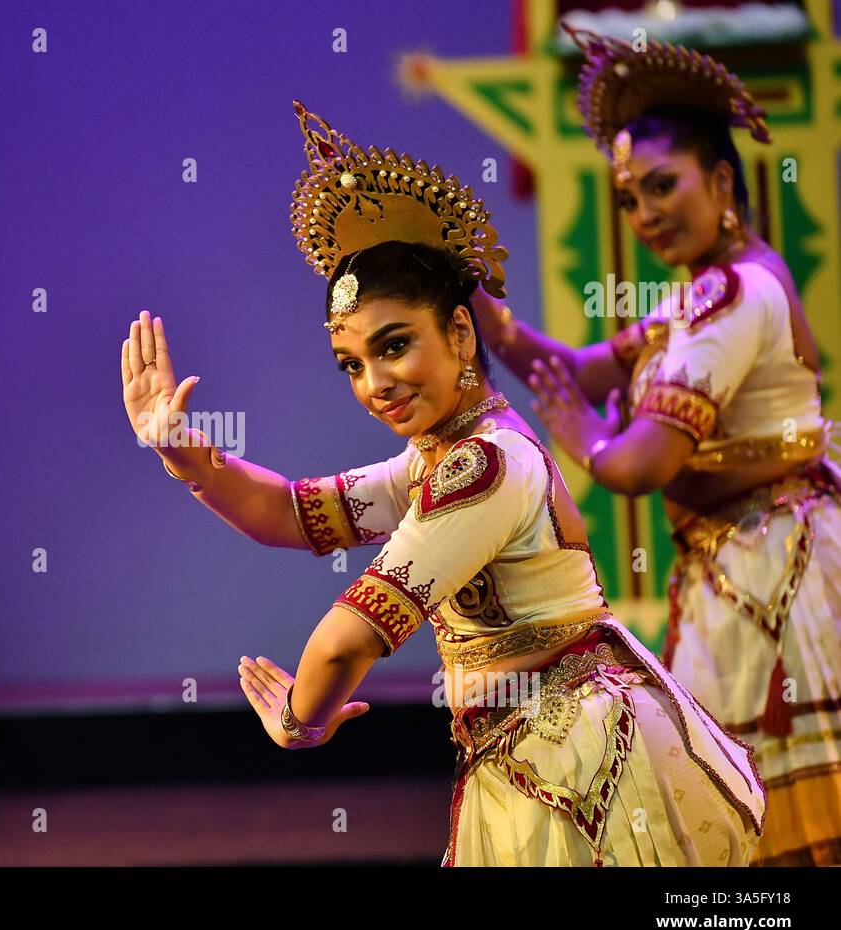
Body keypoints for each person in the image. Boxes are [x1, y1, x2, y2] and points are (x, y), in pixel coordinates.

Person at [119, 102, 765, 865]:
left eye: (395, 346)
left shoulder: (483, 467)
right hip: (531, 759)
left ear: (460, 333)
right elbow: (290, 512)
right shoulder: (444, 454)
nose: (375, 384)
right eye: (352, 364)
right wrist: (183, 449)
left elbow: (345, 641)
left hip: (577, 767)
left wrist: (300, 722)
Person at [469, 25, 841, 865]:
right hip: (737, 576)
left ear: (721, 181)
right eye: (631, 197)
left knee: (785, 830)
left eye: (662, 186)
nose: (644, 215)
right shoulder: (700, 297)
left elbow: (643, 463)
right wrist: (483, 309)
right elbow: (577, 367)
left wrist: (586, 442)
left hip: (777, 577)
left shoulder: (735, 297)